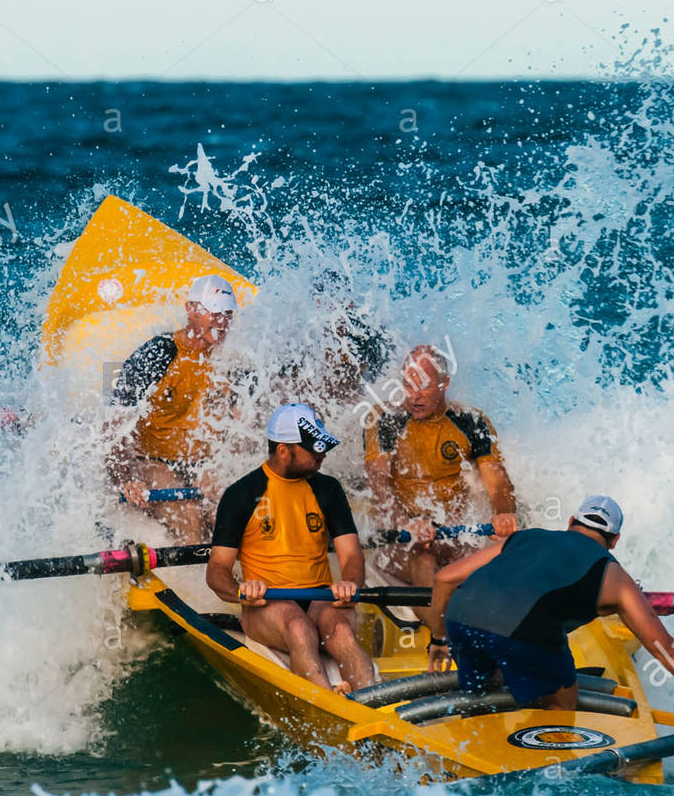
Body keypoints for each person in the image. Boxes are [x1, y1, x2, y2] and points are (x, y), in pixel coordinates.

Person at [420, 495, 674, 740]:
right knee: (564, 699)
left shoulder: (526, 537)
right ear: (615, 540)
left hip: (461, 617)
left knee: (481, 685)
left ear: (570, 522)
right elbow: (666, 648)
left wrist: (438, 638)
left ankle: (465, 733)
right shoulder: (617, 580)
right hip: (523, 634)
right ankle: (548, 757)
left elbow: (446, 578)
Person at [205, 403, 375, 693]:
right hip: (267, 603)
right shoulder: (241, 495)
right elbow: (216, 570)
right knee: (299, 628)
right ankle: (328, 705)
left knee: (343, 633)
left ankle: (375, 707)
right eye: (314, 450)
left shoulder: (328, 489)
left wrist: (350, 582)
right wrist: (240, 592)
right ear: (284, 451)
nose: (322, 455)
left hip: (320, 595)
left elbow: (351, 555)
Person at [364, 345, 518, 592]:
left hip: (449, 533)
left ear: (444, 384)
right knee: (425, 561)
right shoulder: (384, 418)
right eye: (408, 385)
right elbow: (377, 479)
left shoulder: (471, 421)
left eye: (423, 385)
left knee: (480, 559)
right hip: (398, 538)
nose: (414, 396)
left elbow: (497, 480)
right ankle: (437, 630)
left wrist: (503, 513)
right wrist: (404, 523)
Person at [107, 273, 239, 540]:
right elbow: (112, 430)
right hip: (152, 462)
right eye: (214, 313)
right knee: (190, 519)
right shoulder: (156, 354)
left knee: (231, 516)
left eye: (227, 313)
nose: (222, 322)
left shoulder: (232, 359)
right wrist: (127, 480)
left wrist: (228, 470)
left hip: (205, 464)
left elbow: (243, 426)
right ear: (191, 309)